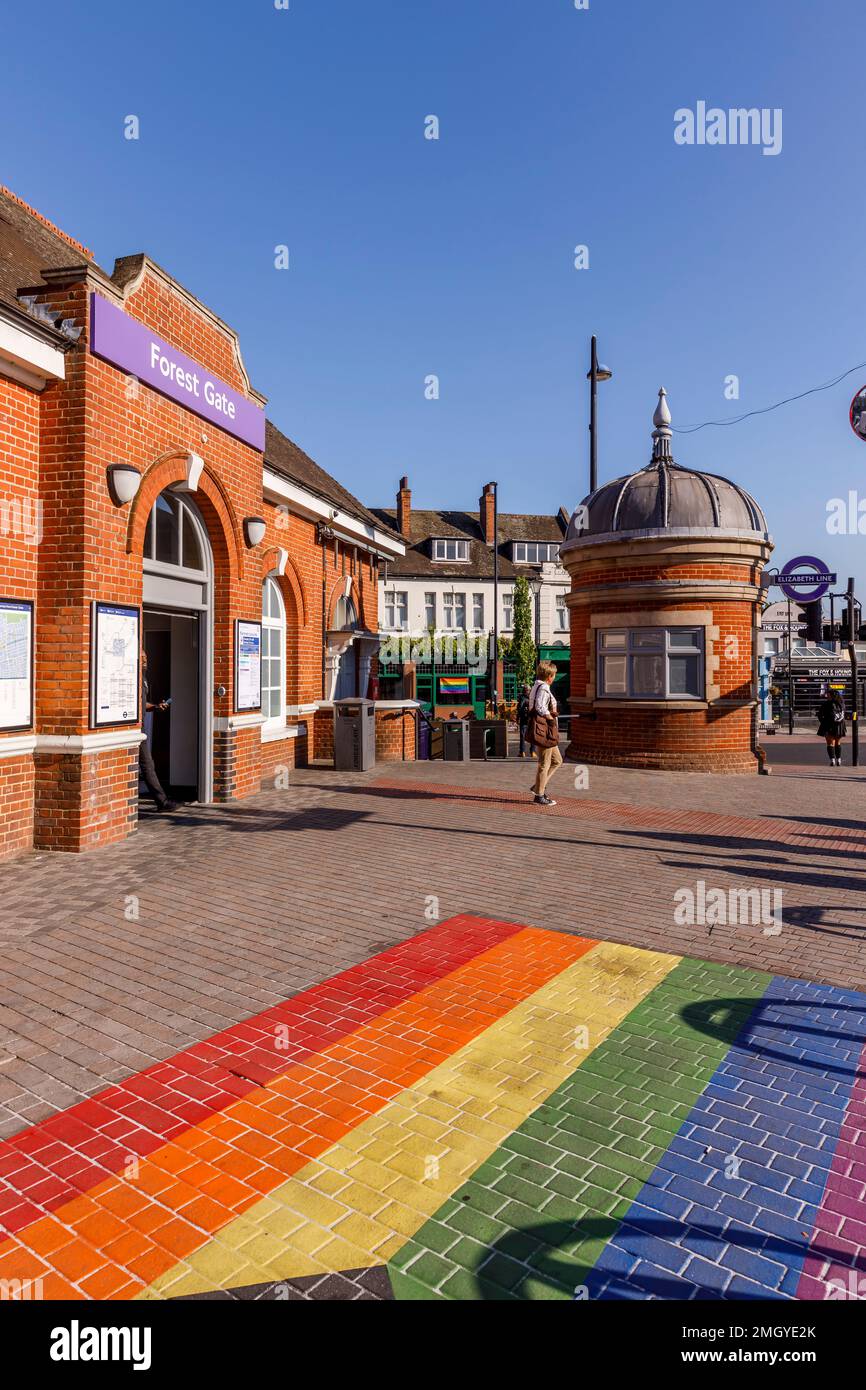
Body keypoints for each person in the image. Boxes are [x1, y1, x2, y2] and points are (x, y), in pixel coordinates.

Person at [140, 651, 176, 811]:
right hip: (132, 728)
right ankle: (162, 802)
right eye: (141, 658)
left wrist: (154, 706)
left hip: (139, 727)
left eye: (146, 657)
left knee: (147, 764)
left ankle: (162, 801)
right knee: (147, 764)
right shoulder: (133, 677)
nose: (145, 660)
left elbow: (141, 703)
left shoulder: (144, 678)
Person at [527, 660, 562, 806]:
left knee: (557, 761)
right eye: (554, 675)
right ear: (549, 676)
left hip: (545, 731)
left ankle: (538, 787)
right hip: (544, 730)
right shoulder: (543, 688)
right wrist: (550, 717)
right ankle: (539, 795)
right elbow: (540, 707)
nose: (554, 678)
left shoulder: (538, 686)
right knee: (544, 763)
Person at [817, 687, 846, 766]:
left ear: (831, 695)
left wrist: (823, 722)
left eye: (828, 695)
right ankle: (839, 760)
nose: (827, 696)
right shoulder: (842, 703)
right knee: (838, 742)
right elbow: (844, 714)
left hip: (828, 725)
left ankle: (832, 760)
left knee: (830, 743)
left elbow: (819, 714)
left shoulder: (826, 704)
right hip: (840, 725)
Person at [517, 683, 532, 758]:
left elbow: (519, 709)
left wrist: (517, 718)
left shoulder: (522, 698)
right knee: (532, 735)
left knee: (522, 736)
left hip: (524, 719)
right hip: (531, 718)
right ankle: (532, 752)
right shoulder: (532, 697)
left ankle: (522, 752)